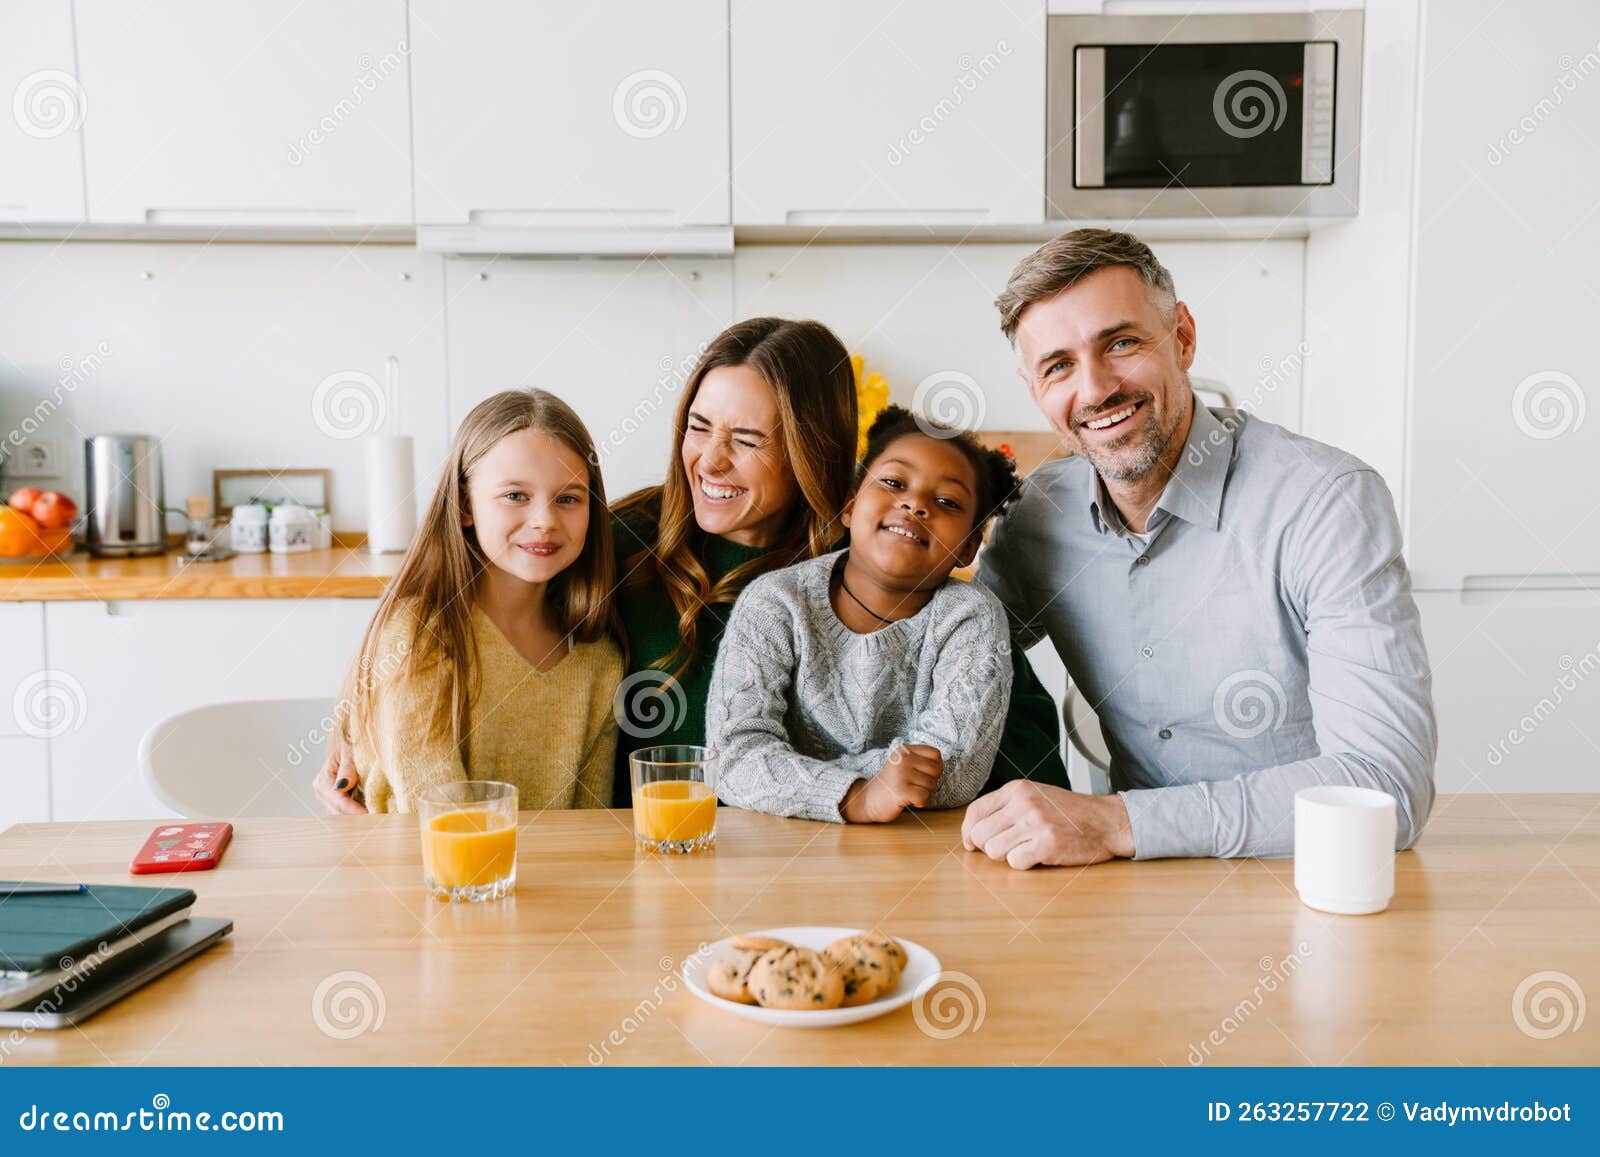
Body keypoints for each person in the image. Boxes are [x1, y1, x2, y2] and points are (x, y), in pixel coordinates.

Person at [315, 317, 1070, 814]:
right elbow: (451, 599)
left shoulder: (872, 574)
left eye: (747, 439)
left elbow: (1013, 728)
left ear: (811, 452)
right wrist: (355, 722)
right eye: (699, 426)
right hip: (648, 877)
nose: (709, 460)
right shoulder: (621, 542)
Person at [962, 228, 1437, 867]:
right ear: (1037, 392)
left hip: (1310, 883)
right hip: (1137, 896)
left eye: (1122, 343)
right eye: (1059, 366)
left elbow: (1386, 791)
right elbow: (953, 652)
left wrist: (1114, 822)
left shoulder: (1325, 501)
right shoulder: (1040, 516)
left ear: (1182, 337)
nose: (1096, 389)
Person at [706, 405, 1021, 823]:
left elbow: (957, 770)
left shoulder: (973, 619)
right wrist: (858, 796)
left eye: (946, 501)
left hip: (916, 853)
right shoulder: (775, 602)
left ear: (968, 547)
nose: (914, 504)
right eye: (893, 482)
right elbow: (731, 759)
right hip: (779, 851)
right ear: (850, 507)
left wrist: (796, 781)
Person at [342, 389, 622, 813]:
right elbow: (444, 822)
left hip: (552, 878)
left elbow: (591, 827)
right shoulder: (419, 635)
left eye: (568, 498)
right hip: (426, 876)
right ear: (464, 505)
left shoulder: (598, 658)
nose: (545, 521)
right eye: (515, 496)